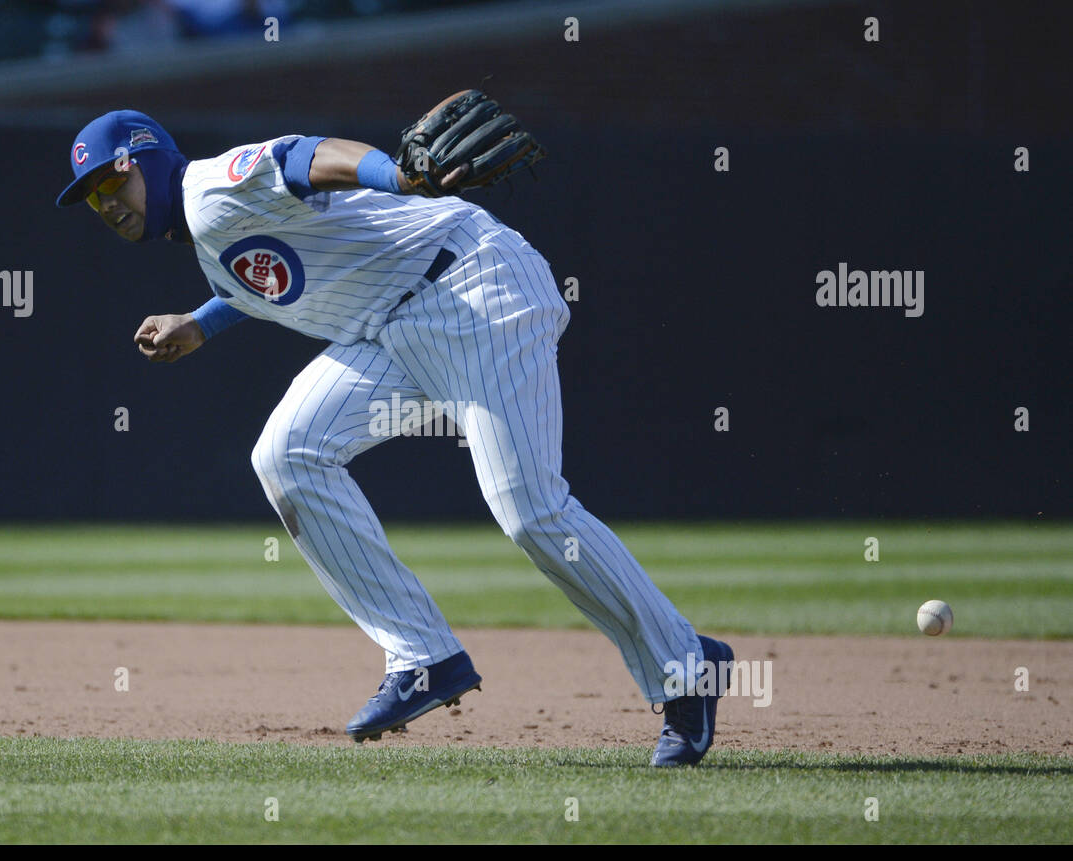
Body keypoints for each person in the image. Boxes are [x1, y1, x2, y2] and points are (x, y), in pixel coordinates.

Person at [55, 109, 734, 765]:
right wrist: (200, 322)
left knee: (532, 512)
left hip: (475, 288)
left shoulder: (208, 186)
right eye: (92, 199)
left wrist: (395, 175)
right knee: (287, 455)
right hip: (393, 329)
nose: (107, 202)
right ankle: (423, 658)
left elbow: (303, 157)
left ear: (146, 160)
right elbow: (260, 273)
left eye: (114, 181)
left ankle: (685, 668)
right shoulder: (208, 234)